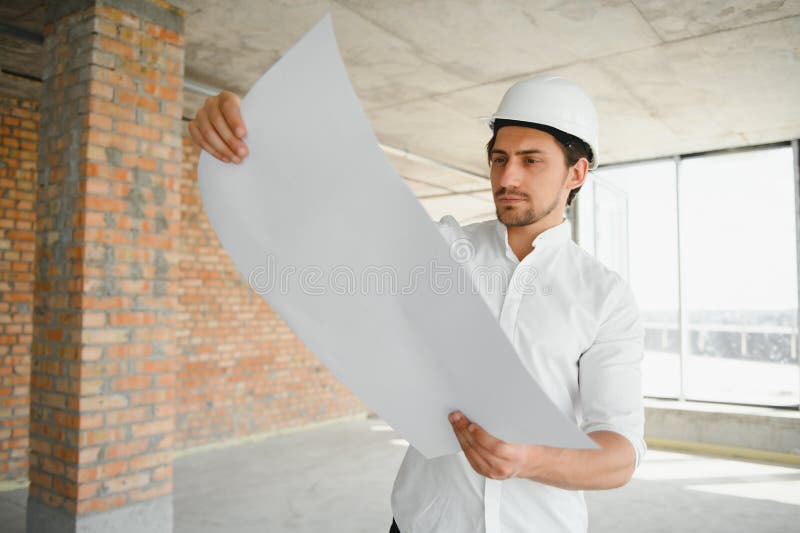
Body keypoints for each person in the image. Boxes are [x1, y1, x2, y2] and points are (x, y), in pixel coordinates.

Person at [189, 75, 646, 533]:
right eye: (499, 159)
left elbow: (618, 455)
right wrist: (247, 130)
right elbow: (329, 214)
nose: (507, 177)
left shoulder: (605, 297)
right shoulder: (442, 250)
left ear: (576, 173)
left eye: (531, 161)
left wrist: (530, 459)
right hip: (423, 522)